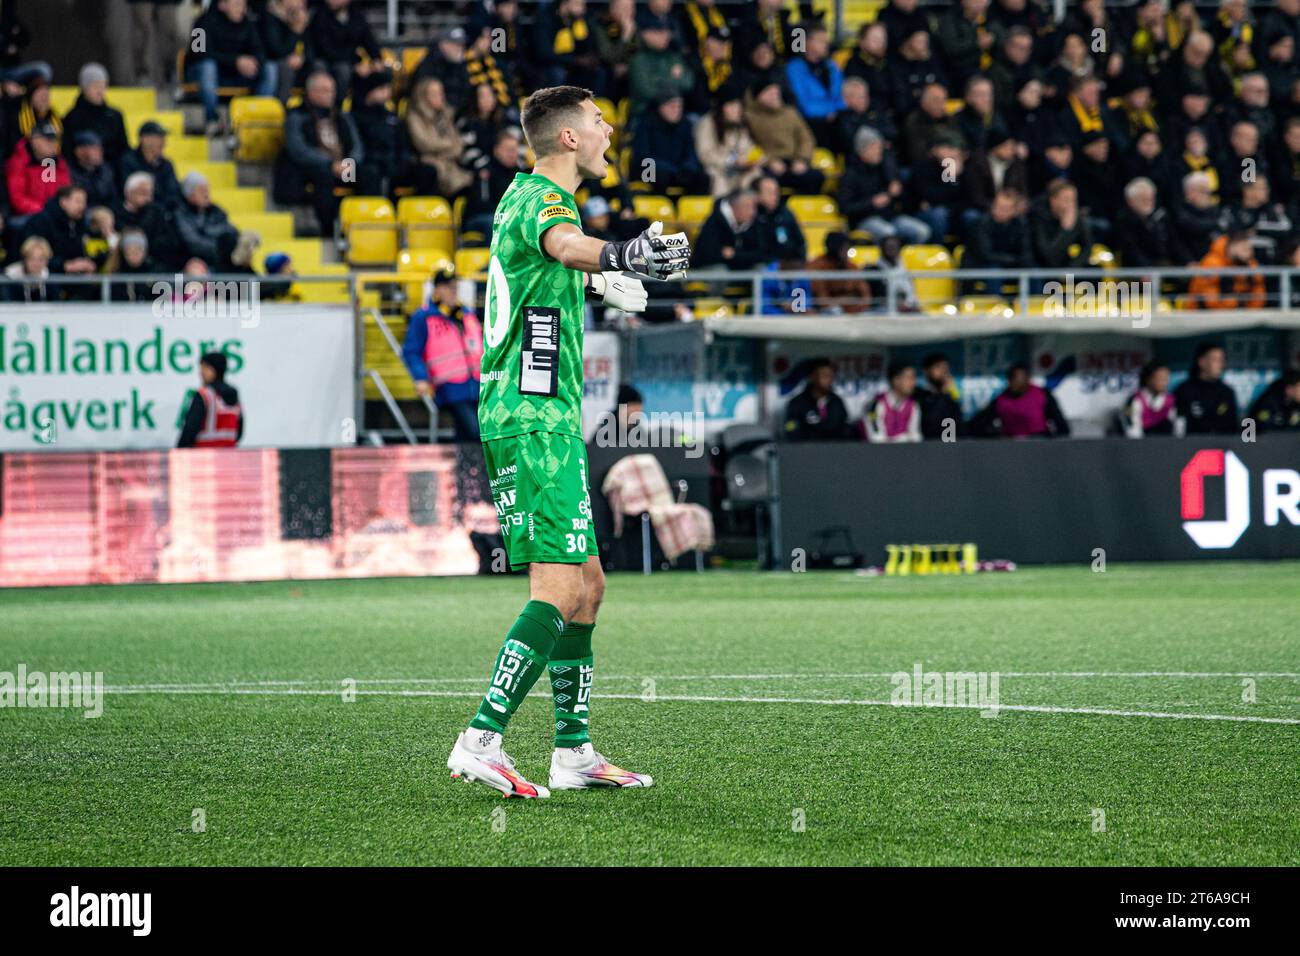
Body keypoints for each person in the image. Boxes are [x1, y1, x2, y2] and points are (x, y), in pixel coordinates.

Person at [446, 85, 690, 799]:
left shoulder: (525, 199)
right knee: (557, 586)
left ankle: (573, 753)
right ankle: (480, 739)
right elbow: (563, 243)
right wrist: (621, 255)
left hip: (544, 415)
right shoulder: (544, 203)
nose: (609, 127)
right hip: (531, 418)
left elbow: (549, 268)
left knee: (588, 586)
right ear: (569, 140)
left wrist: (599, 279)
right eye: (597, 119)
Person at [273, 71, 362, 236]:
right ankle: (328, 231)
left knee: (369, 174)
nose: (331, 95)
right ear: (312, 92)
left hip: (344, 168)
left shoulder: (341, 116)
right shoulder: (297, 116)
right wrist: (330, 163)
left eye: (332, 90)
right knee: (324, 176)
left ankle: (362, 226)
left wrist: (348, 164)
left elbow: (356, 146)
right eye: (326, 90)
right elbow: (298, 149)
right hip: (313, 168)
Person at [401, 270, 483, 442]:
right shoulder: (424, 317)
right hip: (450, 387)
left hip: (477, 385)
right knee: (475, 431)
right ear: (437, 290)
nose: (453, 291)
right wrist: (420, 378)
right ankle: (471, 467)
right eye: (448, 287)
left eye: (455, 286)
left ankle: (465, 467)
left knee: (466, 435)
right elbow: (411, 351)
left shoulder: (467, 315)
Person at [188, 0, 276, 135]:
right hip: (206, 75)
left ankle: (256, 116)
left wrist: (252, 62)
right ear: (222, 5)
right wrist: (235, 61)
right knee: (207, 67)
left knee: (270, 68)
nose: (241, 9)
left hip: (237, 75)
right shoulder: (201, 22)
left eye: (243, 5)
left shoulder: (248, 24)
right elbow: (197, 54)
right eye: (237, 4)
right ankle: (212, 120)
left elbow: (261, 52)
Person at [971, 363, 1071, 437]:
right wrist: (995, 434)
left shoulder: (1042, 395)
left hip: (1039, 442)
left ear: (1027, 379)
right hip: (1012, 445)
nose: (1013, 382)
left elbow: (1060, 424)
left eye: (1016, 378)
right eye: (1011, 378)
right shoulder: (1001, 400)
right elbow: (979, 423)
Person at [60, 63, 128, 164]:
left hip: (112, 171)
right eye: (95, 86)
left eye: (103, 85)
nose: (100, 90)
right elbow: (68, 151)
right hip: (82, 172)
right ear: (84, 88)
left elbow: (123, 149)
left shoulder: (115, 116)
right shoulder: (72, 117)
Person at [178, 351, 244, 448]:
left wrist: (179, 454)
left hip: (204, 458)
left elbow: (189, 431)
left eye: (205, 368)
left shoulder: (204, 395)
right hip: (229, 458)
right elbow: (239, 432)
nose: (201, 372)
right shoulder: (235, 398)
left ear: (215, 369)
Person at [1187, 229, 1266, 309]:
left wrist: (1250, 314)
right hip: (1204, 315)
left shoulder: (1249, 263)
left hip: (1239, 314)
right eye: (1244, 248)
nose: (1249, 252)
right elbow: (1210, 301)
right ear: (1232, 246)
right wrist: (1237, 303)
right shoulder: (1211, 263)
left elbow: (1258, 290)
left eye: (1249, 248)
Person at [1174, 342, 1239, 434]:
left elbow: (1233, 428)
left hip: (1222, 445)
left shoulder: (1227, 392)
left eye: (1222, 360)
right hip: (1190, 445)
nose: (1221, 365)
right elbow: (1178, 426)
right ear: (1201, 362)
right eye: (1216, 360)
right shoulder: (1184, 391)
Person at [117, 120, 182, 210]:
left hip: (163, 213)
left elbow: (174, 193)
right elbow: (132, 194)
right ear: (144, 139)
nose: (163, 142)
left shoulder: (166, 164)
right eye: (159, 137)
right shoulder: (128, 161)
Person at [782, 358, 851, 441]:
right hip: (807, 452)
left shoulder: (837, 402)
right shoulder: (797, 404)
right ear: (812, 377)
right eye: (825, 376)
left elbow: (846, 431)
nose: (830, 380)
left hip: (835, 451)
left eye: (831, 376)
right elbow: (791, 432)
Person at [860, 361, 922, 442]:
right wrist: (903, 438)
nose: (913, 382)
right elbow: (876, 437)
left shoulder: (913, 405)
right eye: (909, 378)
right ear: (895, 380)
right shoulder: (874, 405)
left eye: (914, 378)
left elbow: (915, 436)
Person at [1123, 360, 1185, 437]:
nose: (1164, 382)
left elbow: (1178, 428)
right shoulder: (1133, 400)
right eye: (1160, 378)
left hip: (1166, 443)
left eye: (1166, 378)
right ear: (1148, 379)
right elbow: (1132, 429)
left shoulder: (1171, 400)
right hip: (1141, 444)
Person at [917, 353, 964, 438]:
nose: (944, 372)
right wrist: (943, 394)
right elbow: (930, 423)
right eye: (939, 367)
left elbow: (957, 423)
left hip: (951, 444)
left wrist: (951, 397)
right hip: (927, 445)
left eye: (946, 369)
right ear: (926, 371)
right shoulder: (919, 394)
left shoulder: (950, 396)